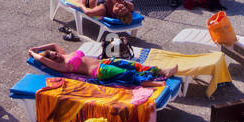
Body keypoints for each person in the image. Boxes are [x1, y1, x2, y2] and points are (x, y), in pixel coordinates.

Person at [27, 42, 177, 82]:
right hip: (99, 72)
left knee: (135, 65)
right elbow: (41, 59)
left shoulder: (66, 55)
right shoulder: (61, 66)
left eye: (55, 55)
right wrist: (34, 53)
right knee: (128, 74)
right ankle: (161, 77)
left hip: (104, 62)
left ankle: (160, 70)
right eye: (53, 58)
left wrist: (38, 47)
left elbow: (53, 45)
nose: (56, 56)